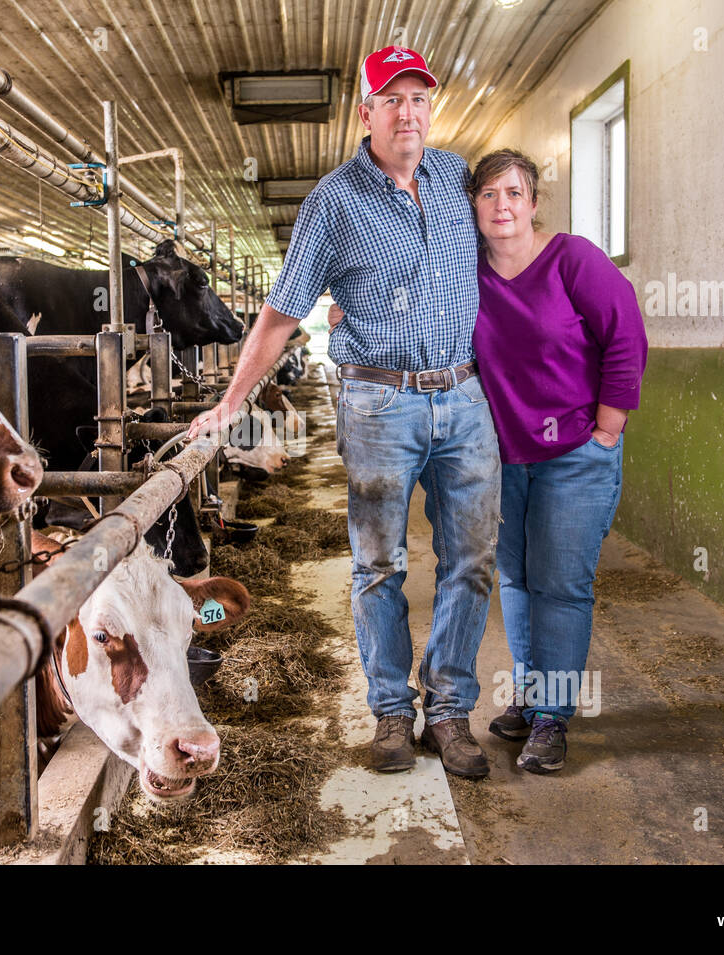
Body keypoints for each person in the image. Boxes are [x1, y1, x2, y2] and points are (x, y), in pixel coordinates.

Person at [188, 46, 501, 779]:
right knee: (378, 564)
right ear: (365, 114)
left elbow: (512, 257)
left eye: (419, 98)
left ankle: (450, 712)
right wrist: (230, 403)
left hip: (463, 393)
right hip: (378, 399)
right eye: (392, 100)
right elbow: (279, 313)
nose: (408, 112)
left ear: (432, 108)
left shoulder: (459, 178)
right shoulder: (333, 200)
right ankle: (393, 710)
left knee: (472, 561)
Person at [332, 150, 648, 774]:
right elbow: (407, 298)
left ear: (533, 203)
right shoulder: (466, 272)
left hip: (576, 453)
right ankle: (530, 702)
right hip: (505, 455)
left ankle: (553, 717)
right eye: (488, 195)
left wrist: (608, 430)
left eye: (514, 193)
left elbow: (625, 335)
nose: (502, 206)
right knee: (514, 581)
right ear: (471, 205)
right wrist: (351, 309)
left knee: (560, 585)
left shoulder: (572, 260)